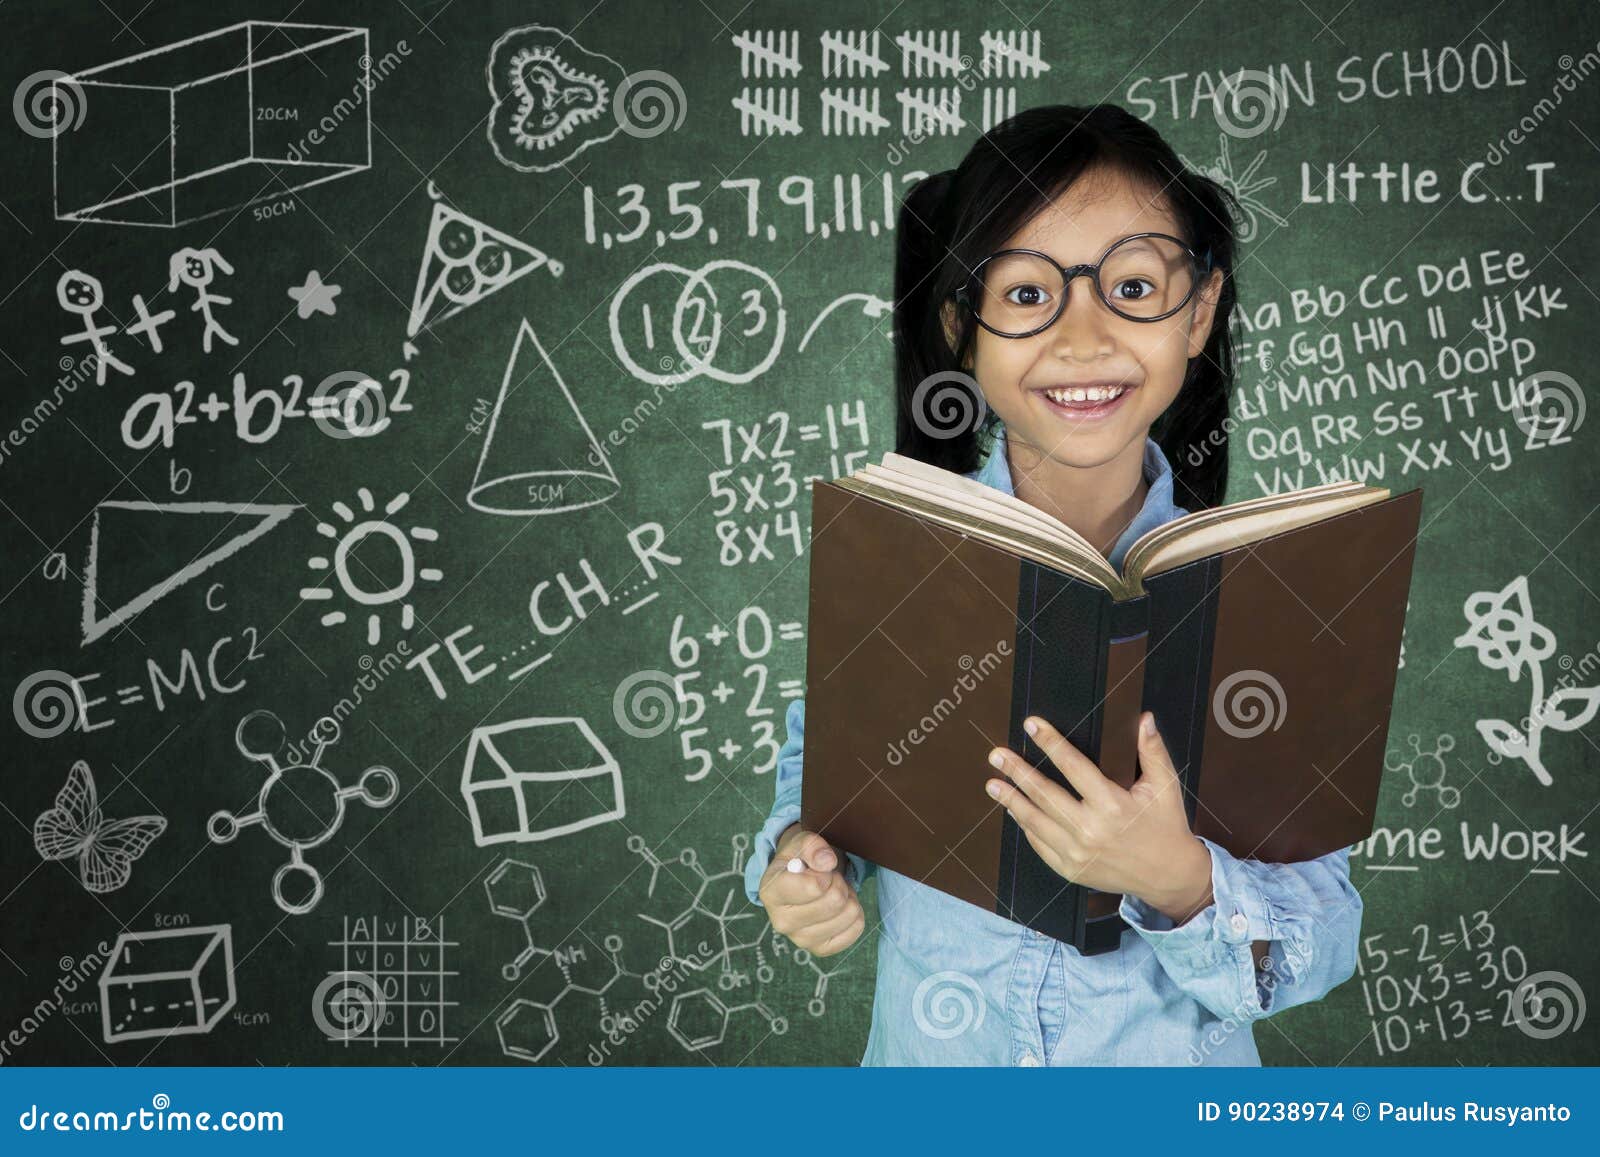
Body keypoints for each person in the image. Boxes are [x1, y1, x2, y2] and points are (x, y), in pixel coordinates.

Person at [741, 104, 1362, 1066]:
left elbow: (1321, 945)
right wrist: (803, 858)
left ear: (1198, 311)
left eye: (1132, 285)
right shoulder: (902, 560)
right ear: (962, 325)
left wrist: (1176, 877)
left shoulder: (1274, 601)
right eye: (1028, 294)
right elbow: (828, 769)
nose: (1083, 336)